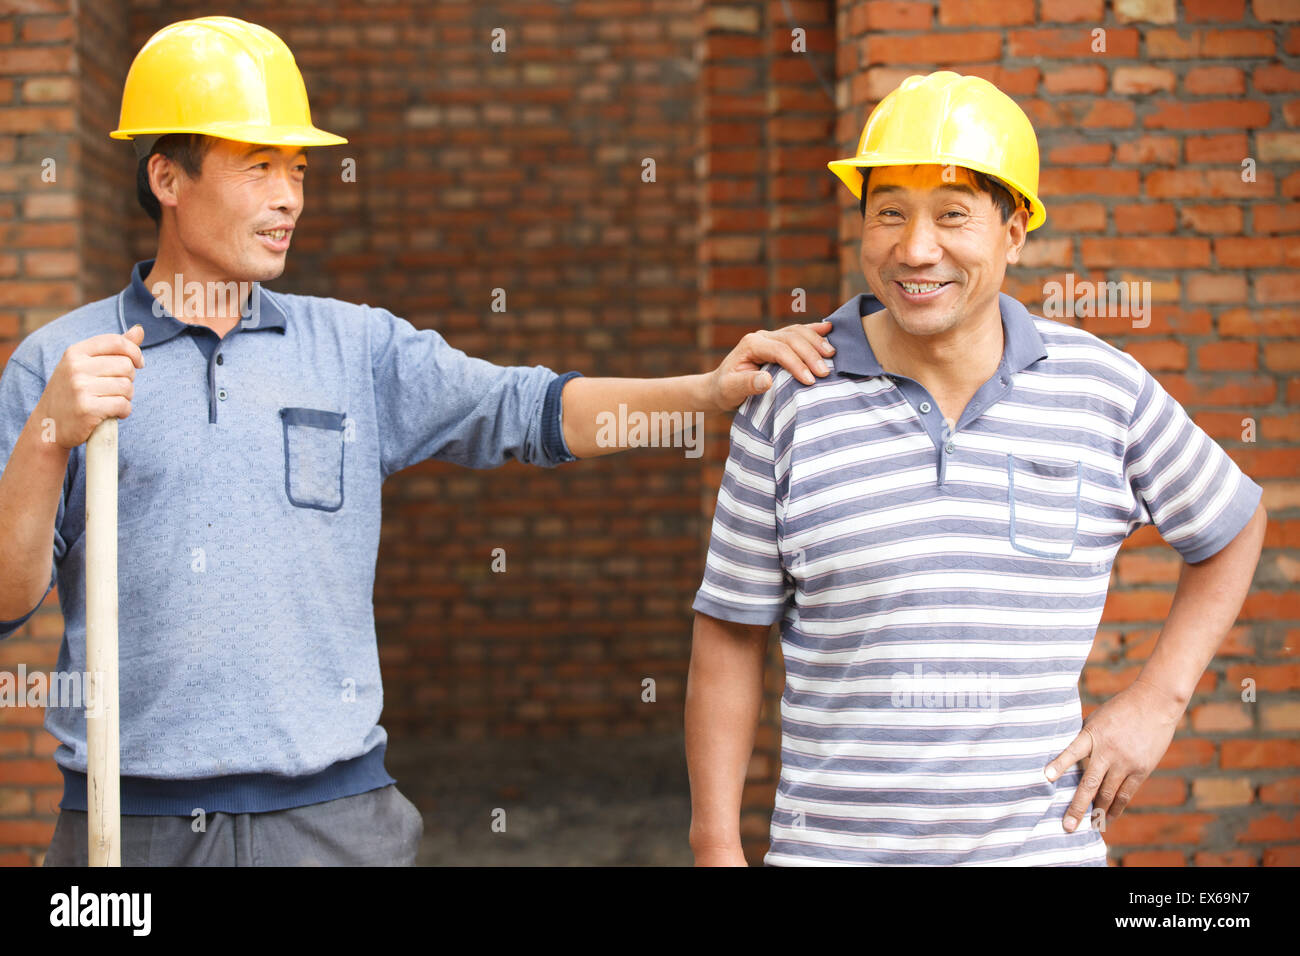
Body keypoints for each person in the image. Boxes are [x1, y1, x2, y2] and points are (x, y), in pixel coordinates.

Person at [0, 16, 835, 866]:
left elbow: (529, 409)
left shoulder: (356, 350)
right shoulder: (61, 365)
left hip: (332, 824)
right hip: (124, 827)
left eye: (297, 170)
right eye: (258, 167)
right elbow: (7, 600)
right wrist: (48, 437)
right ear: (167, 178)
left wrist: (704, 393)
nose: (290, 198)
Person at [686, 70, 1267, 866]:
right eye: (890, 213)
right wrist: (715, 844)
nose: (915, 248)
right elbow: (730, 632)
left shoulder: (1100, 389)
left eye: (952, 214)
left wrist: (1155, 704)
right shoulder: (790, 397)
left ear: (1014, 232)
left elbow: (1233, 524)